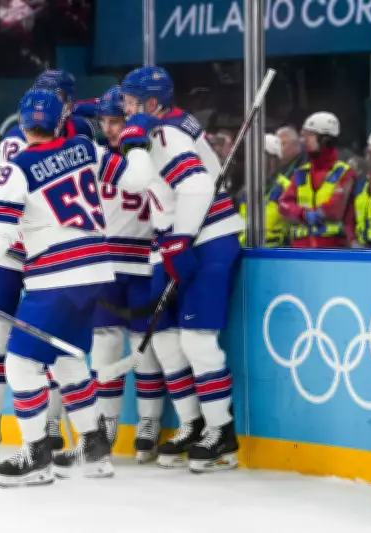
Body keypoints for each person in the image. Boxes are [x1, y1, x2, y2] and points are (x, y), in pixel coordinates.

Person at [0, 87, 153, 487]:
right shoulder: (86, 149)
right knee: (65, 360)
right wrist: (137, 139)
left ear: (21, 124)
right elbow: (139, 178)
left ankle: (36, 454)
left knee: (20, 363)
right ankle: (94, 449)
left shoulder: (16, 168)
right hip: (97, 272)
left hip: (56, 277)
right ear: (60, 122)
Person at [113, 66, 244, 473]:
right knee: (166, 339)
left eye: (133, 102)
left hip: (207, 239)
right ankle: (192, 423)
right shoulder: (159, 126)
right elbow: (141, 183)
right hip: (174, 240)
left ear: (153, 103)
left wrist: (179, 239)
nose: (127, 108)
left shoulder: (165, 135)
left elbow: (199, 187)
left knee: (197, 340)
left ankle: (222, 433)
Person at [0, 69, 94, 468]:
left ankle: (50, 427)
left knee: (49, 344)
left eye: (53, 95)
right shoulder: (18, 138)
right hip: (10, 250)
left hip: (51, 255)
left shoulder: (83, 138)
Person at [87, 86, 171, 462]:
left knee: (145, 349)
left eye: (116, 121)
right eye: (104, 121)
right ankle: (105, 423)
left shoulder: (152, 156)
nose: (109, 128)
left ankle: (149, 423)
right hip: (106, 266)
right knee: (104, 346)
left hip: (143, 265)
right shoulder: (98, 157)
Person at [277, 112, 356, 249]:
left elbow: (335, 209)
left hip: (332, 252)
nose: (304, 140)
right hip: (300, 252)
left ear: (325, 140)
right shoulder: (302, 173)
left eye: (309, 135)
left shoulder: (344, 173)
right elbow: (284, 205)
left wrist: (313, 213)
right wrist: (303, 213)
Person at [238, 133, 291, 247]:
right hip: (247, 253)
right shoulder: (246, 190)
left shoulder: (287, 188)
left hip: (275, 255)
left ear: (274, 161)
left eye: (262, 157)